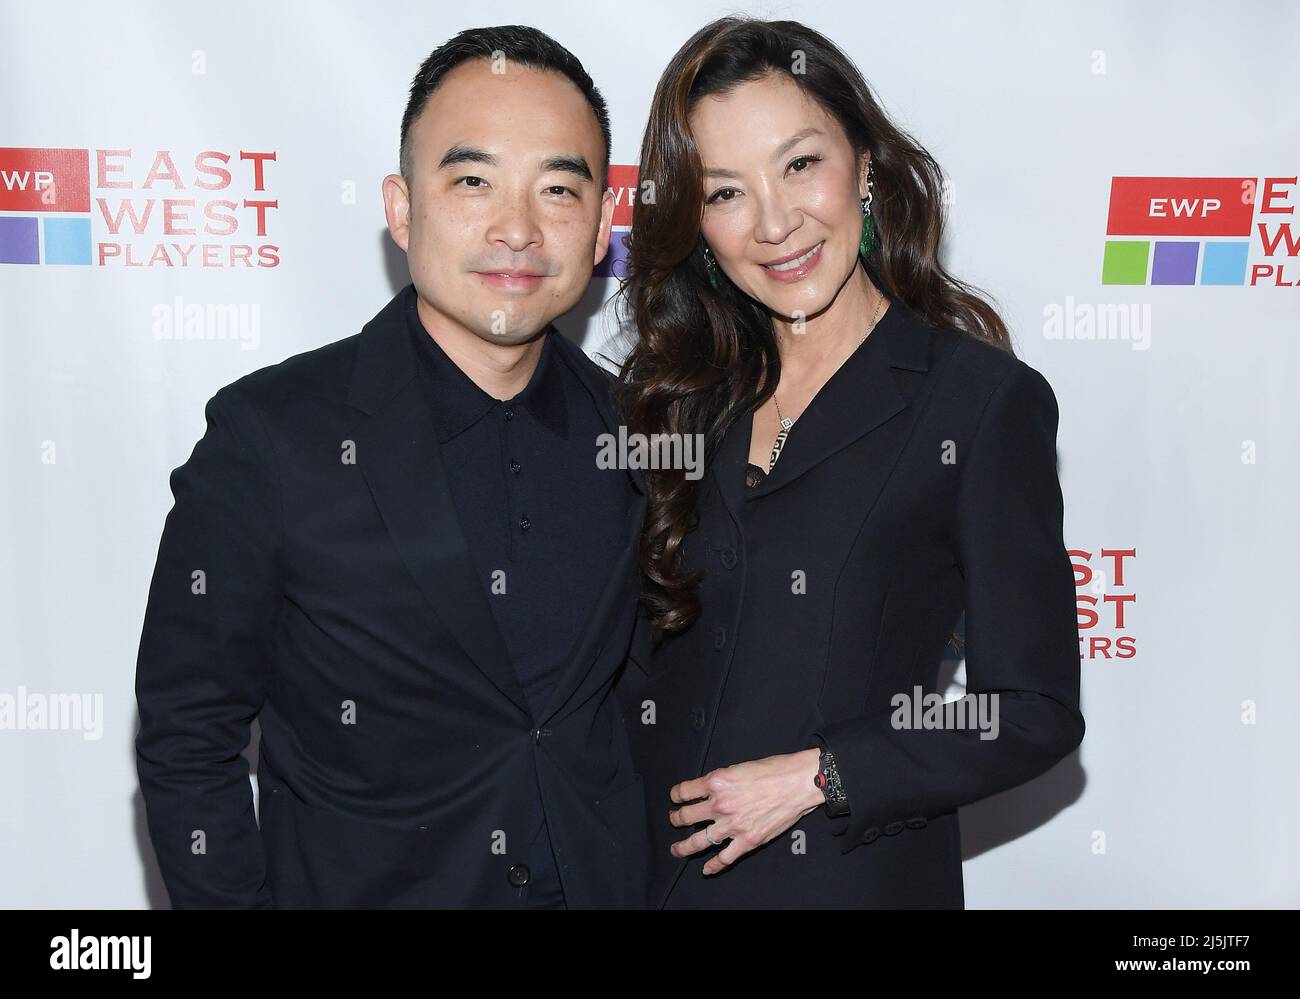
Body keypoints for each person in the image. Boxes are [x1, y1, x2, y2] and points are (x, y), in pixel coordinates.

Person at [134, 24, 649, 909]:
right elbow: (188, 735)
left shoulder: (644, 435)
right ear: (403, 207)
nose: (517, 228)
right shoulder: (271, 437)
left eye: (558, 189)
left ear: (603, 224)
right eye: (474, 180)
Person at [614, 16, 1085, 908]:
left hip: (851, 883)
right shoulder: (674, 397)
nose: (775, 222)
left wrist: (825, 774)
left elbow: (1032, 710)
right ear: (696, 222)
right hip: (651, 884)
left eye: (800, 165)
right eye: (725, 192)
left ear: (864, 166)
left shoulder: (979, 402)